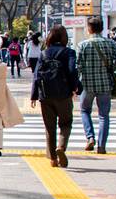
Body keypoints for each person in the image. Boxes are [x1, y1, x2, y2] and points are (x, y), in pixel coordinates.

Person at [30, 25, 81, 167]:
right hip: (63, 94)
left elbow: (36, 75)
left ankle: (53, 159)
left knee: (49, 127)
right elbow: (72, 71)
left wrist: (33, 95)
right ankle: (61, 147)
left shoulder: (44, 53)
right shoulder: (69, 52)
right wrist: (74, 88)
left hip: (45, 95)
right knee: (66, 123)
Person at [77, 16, 116, 154]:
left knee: (85, 111)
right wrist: (110, 69)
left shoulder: (83, 45)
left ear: (89, 29)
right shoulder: (110, 43)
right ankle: (102, 146)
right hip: (105, 84)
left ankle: (90, 137)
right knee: (104, 115)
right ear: (102, 29)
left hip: (87, 84)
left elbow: (77, 66)